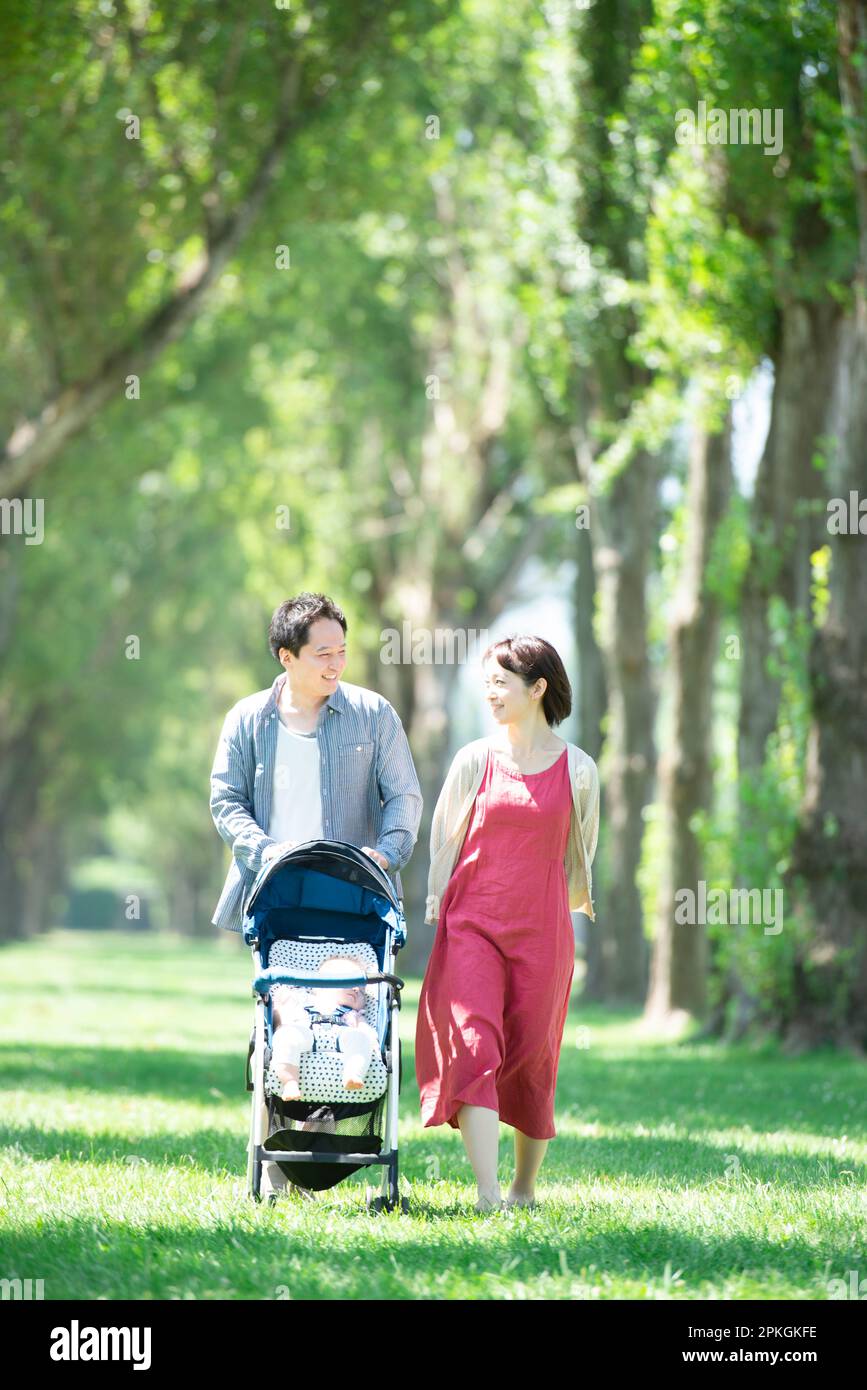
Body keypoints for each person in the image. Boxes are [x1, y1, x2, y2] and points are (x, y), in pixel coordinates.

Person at [210, 591, 422, 1197]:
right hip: (279, 896)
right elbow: (226, 800)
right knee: (285, 1018)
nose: (336, 664)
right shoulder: (248, 720)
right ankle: (281, 1160)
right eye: (322, 654)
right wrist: (264, 851)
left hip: (355, 897)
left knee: (351, 1013)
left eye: (342, 652)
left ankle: (324, 1156)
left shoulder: (372, 714)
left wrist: (388, 849)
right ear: (286, 656)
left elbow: (404, 795)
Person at [415, 635, 600, 1214]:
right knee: (474, 1046)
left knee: (531, 1058)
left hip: (543, 930)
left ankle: (523, 1187)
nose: (490, 693)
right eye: (487, 682)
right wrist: (436, 907)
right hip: (473, 922)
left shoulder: (580, 770)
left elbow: (582, 850)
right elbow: (444, 839)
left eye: (502, 682)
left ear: (537, 688)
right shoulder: (475, 759)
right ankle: (488, 1193)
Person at [270, 955, 380, 1100]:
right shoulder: (303, 999)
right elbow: (282, 1013)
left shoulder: (355, 1014)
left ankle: (353, 1073)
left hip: (342, 1036)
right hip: (306, 1032)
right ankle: (290, 1082)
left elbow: (366, 1031)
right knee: (286, 1035)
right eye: (350, 981)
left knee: (360, 1038)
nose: (356, 990)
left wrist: (372, 1041)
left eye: (361, 991)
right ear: (321, 984)